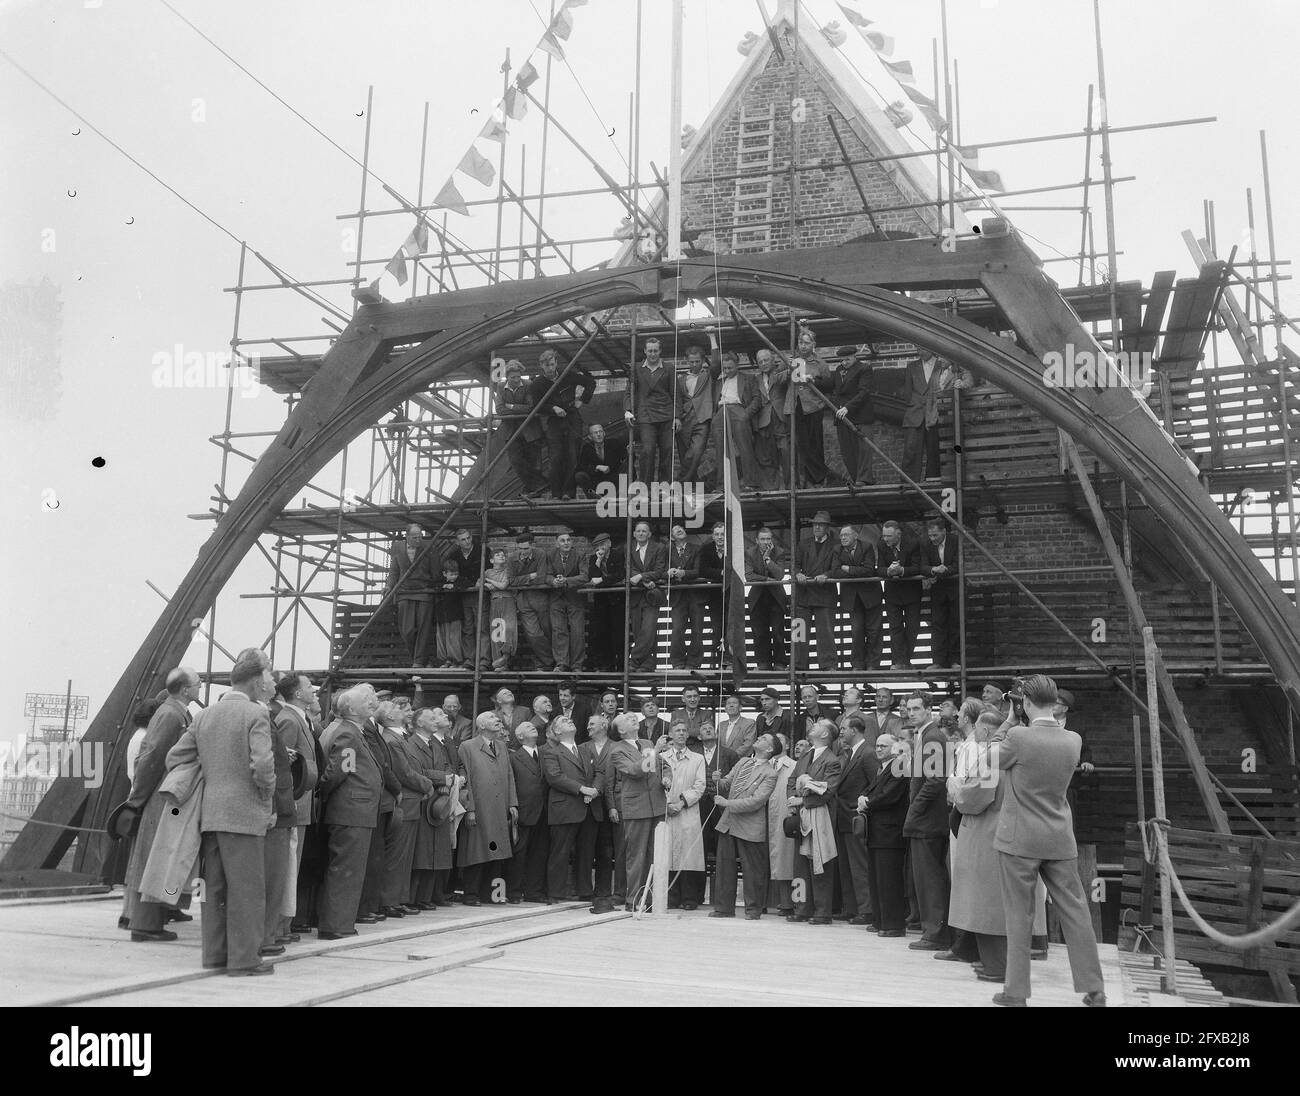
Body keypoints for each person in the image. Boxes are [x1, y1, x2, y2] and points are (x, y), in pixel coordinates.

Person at [993, 675, 1106, 1007]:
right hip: (1058, 838)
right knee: (1076, 913)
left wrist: (1009, 721)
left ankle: (1016, 993)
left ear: (1025, 703)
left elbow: (988, 759)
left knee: (1019, 916)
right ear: (1055, 701)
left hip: (1018, 840)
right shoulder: (1073, 739)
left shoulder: (1017, 736)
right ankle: (1094, 988)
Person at [165, 648, 277, 974]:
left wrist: (210, 775)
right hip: (245, 814)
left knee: (214, 890)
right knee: (247, 890)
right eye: (268, 674)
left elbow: (175, 757)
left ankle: (214, 956)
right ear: (257, 680)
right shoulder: (256, 715)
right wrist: (266, 798)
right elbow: (262, 766)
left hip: (211, 814)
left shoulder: (204, 715)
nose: (270, 680)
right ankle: (245, 960)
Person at [123, 666, 200, 941]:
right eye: (198, 684)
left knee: (156, 858)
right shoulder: (171, 714)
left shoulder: (175, 712)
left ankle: (148, 922)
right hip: (160, 797)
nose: (201, 687)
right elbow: (152, 757)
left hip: (162, 794)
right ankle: (145, 925)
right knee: (153, 859)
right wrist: (139, 799)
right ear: (186, 689)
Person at [271, 673, 319, 946]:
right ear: (298, 694)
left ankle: (284, 924)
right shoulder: (290, 720)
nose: (314, 691)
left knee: (293, 866)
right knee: (289, 866)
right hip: (294, 804)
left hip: (301, 804)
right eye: (309, 687)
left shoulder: (300, 718)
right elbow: (284, 763)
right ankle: (279, 926)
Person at [902, 691, 951, 951]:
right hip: (928, 819)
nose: (911, 713)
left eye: (917, 708)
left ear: (929, 709)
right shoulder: (926, 735)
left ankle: (935, 933)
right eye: (909, 709)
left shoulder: (932, 736)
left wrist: (914, 811)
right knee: (927, 877)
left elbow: (935, 781)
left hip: (928, 821)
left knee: (929, 878)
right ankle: (934, 930)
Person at [711, 734, 779, 919]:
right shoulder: (742, 762)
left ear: (770, 749)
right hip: (729, 823)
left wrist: (728, 804)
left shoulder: (770, 773)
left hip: (750, 825)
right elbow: (727, 783)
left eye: (764, 738)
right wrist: (719, 779)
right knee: (724, 867)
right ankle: (723, 908)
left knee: (752, 869)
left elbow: (756, 802)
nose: (759, 738)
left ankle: (753, 909)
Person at [376, 701, 433, 918]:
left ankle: (398, 898)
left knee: (405, 856)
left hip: (410, 802)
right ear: (389, 718)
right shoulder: (393, 740)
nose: (403, 711)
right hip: (405, 802)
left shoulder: (399, 738)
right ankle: (390, 900)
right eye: (397, 709)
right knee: (397, 856)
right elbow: (404, 772)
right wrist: (426, 784)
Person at [457, 712, 519, 906]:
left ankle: (492, 894)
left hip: (499, 809)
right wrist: (470, 809)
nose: (498, 720)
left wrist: (512, 804)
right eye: (493, 718)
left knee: (497, 852)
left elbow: (509, 776)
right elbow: (465, 779)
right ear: (482, 725)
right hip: (480, 808)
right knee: (476, 851)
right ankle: (471, 894)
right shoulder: (467, 747)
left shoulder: (501, 746)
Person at [608, 713, 667, 911]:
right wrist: (655, 751)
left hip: (656, 805)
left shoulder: (646, 741)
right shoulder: (616, 750)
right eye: (625, 718)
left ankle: (650, 899)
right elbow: (635, 771)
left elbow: (662, 765)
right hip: (637, 808)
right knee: (637, 855)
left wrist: (667, 777)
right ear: (621, 730)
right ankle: (632, 899)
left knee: (654, 855)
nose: (632, 717)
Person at [785, 719, 841, 924]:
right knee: (799, 864)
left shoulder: (832, 760)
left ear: (825, 734)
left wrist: (801, 799)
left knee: (820, 862)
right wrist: (792, 798)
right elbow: (792, 780)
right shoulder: (806, 754)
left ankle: (822, 911)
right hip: (801, 816)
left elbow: (828, 791)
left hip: (820, 817)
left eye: (819, 725)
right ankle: (801, 908)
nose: (814, 726)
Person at [542, 714, 601, 902]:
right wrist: (582, 789)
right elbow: (555, 777)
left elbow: (599, 772)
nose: (570, 720)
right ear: (557, 731)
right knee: (560, 851)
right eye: (564, 721)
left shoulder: (585, 750)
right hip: (565, 808)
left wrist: (595, 791)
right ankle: (556, 892)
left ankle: (584, 890)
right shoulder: (551, 752)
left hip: (589, 806)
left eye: (570, 720)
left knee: (586, 852)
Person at [405, 708, 457, 909]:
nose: (436, 720)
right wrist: (443, 778)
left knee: (435, 853)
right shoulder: (411, 744)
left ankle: (426, 897)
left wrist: (447, 777)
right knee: (421, 854)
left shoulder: (435, 744)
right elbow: (418, 771)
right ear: (419, 723)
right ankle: (413, 898)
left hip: (438, 803)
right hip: (423, 802)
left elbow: (447, 766)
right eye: (430, 718)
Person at [531, 347, 595, 499]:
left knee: (573, 456)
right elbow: (537, 406)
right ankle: (556, 493)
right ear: (541, 366)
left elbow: (590, 382)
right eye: (547, 366)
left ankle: (569, 492)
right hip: (554, 421)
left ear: (556, 362)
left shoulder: (567, 375)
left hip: (572, 418)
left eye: (552, 364)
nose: (551, 368)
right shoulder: (537, 384)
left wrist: (582, 400)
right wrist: (553, 408)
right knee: (556, 458)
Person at [862, 732, 909, 936]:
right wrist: (863, 798)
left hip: (890, 832)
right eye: (878, 745)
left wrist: (867, 802)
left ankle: (894, 925)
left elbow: (889, 796)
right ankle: (881, 920)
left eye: (883, 746)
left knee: (889, 879)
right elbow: (873, 791)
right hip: (877, 830)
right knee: (877, 878)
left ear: (894, 748)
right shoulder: (882, 768)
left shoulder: (898, 766)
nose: (879, 749)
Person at [834, 713, 878, 926]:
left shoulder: (867, 753)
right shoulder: (850, 754)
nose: (840, 732)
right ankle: (851, 907)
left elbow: (875, 784)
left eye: (843, 728)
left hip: (856, 818)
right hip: (843, 818)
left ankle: (866, 909)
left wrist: (862, 809)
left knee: (859, 865)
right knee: (847, 866)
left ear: (854, 730)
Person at [690, 718, 738, 903]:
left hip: (721, 805)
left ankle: (721, 898)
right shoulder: (693, 752)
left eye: (711, 728)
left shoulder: (729, 754)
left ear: (716, 733)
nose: (708, 730)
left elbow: (736, 780)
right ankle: (695, 896)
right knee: (697, 849)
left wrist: (723, 780)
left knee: (722, 850)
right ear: (699, 736)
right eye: (704, 728)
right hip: (698, 805)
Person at [660, 723, 706, 910]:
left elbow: (700, 785)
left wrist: (681, 803)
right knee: (668, 853)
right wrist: (667, 804)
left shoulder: (698, 759)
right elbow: (656, 784)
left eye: (684, 731)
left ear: (688, 735)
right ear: (670, 734)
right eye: (677, 730)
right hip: (666, 812)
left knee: (688, 854)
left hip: (687, 810)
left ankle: (689, 898)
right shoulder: (661, 757)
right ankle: (670, 897)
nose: (681, 733)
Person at [624, 336, 680, 484]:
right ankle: (645, 487)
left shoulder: (669, 368)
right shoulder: (636, 368)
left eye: (655, 351)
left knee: (667, 450)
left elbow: (676, 393)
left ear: (660, 351)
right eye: (650, 351)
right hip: (646, 416)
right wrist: (628, 410)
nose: (653, 354)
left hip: (666, 415)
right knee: (647, 450)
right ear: (645, 351)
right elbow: (630, 391)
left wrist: (677, 416)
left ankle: (664, 487)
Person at [507, 720, 549, 904]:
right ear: (520, 736)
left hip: (545, 811)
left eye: (533, 726)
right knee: (519, 853)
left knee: (539, 853)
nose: (533, 727)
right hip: (524, 811)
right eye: (528, 727)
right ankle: (514, 891)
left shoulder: (545, 754)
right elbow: (512, 784)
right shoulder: (514, 758)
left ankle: (534, 891)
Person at [831, 525, 883, 671]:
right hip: (852, 598)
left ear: (855, 536)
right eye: (841, 535)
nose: (843, 538)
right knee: (857, 631)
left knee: (874, 631)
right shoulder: (837, 550)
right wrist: (857, 570)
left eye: (846, 535)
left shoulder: (867, 547)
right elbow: (835, 572)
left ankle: (873, 664)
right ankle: (857, 664)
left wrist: (848, 568)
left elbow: (869, 570)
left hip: (871, 595)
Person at [580, 714, 617, 914]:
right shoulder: (583, 748)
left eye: (592, 723)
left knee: (606, 850)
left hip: (608, 805)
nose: (588, 727)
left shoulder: (616, 746)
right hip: (587, 804)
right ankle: (584, 890)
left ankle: (603, 890)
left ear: (604, 725)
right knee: (585, 849)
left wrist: (596, 790)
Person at [388, 524, 439, 667]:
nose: (418, 540)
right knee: (407, 631)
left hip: (424, 592)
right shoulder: (397, 547)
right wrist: (389, 586)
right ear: (407, 536)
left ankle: (418, 661)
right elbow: (394, 571)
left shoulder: (429, 547)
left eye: (420, 536)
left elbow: (436, 572)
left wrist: (432, 586)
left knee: (424, 629)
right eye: (415, 537)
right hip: (404, 592)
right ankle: (420, 659)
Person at [495, 358, 548, 497]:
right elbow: (500, 410)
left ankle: (531, 489)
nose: (517, 379)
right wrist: (520, 410)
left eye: (518, 376)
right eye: (513, 377)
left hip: (530, 431)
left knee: (533, 463)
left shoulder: (528, 385)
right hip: (511, 432)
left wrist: (511, 407)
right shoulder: (500, 387)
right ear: (507, 377)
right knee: (516, 461)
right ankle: (541, 485)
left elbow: (531, 408)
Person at [793, 511, 838, 671]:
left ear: (827, 527)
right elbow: (795, 565)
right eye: (815, 524)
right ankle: (798, 664)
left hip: (824, 595)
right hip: (803, 594)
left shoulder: (836, 544)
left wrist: (826, 575)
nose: (817, 527)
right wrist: (797, 573)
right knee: (798, 632)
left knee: (825, 632)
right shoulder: (803, 544)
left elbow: (837, 568)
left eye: (821, 524)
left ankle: (828, 665)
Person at [711, 350, 761, 489]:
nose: (727, 370)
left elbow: (757, 399)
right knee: (720, 450)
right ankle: (722, 485)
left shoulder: (749, 378)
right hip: (721, 411)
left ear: (737, 365)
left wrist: (745, 414)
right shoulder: (719, 381)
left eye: (730, 367)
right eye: (725, 368)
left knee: (745, 447)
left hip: (738, 409)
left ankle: (750, 483)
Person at [789, 326, 832, 487]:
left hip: (814, 406)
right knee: (802, 444)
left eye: (807, 343)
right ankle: (817, 475)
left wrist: (814, 380)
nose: (803, 346)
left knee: (815, 444)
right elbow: (779, 376)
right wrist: (789, 368)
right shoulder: (793, 360)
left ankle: (817, 478)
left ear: (813, 344)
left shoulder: (820, 363)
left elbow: (829, 384)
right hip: (797, 404)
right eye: (801, 342)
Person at [827, 346, 876, 485]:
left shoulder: (864, 369)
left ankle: (865, 479)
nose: (844, 362)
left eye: (847, 359)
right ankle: (856, 479)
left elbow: (863, 392)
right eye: (842, 360)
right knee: (847, 452)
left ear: (855, 356)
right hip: (843, 418)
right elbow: (830, 385)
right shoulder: (838, 370)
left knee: (864, 450)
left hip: (861, 416)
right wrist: (812, 380)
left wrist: (847, 408)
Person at [541, 530, 588, 673]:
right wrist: (553, 581)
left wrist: (566, 581)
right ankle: (562, 663)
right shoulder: (550, 555)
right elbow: (546, 574)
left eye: (568, 540)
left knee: (577, 631)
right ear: (557, 543)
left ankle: (577, 665)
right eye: (562, 540)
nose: (566, 543)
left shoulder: (580, 555)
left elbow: (584, 576)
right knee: (558, 630)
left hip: (575, 598)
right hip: (556, 598)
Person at [919, 516, 961, 671]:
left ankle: (955, 661)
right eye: (930, 535)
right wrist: (933, 569)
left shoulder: (955, 540)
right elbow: (922, 566)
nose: (932, 538)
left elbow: (958, 564)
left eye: (935, 535)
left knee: (955, 624)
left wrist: (946, 570)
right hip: (937, 589)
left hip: (955, 588)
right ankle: (938, 661)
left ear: (944, 531)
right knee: (937, 625)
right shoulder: (925, 543)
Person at [877, 521, 921, 669]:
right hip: (892, 593)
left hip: (911, 592)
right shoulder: (881, 545)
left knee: (912, 627)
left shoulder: (913, 544)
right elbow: (880, 568)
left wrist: (901, 570)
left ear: (899, 534)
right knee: (895, 628)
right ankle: (898, 661)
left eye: (889, 536)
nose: (885, 539)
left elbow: (917, 567)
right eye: (884, 535)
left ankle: (906, 660)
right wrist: (888, 571)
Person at [509, 533, 554, 671]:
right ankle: (549, 661)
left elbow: (541, 577)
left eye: (526, 548)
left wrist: (521, 579)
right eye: (521, 548)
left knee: (548, 630)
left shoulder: (540, 554)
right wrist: (530, 576)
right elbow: (511, 581)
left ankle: (556, 662)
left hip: (540, 599)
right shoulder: (512, 558)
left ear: (532, 545)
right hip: (523, 601)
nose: (523, 551)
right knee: (533, 634)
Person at [626, 520, 667, 671]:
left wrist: (641, 576)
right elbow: (628, 569)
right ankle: (647, 664)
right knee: (638, 632)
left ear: (649, 534)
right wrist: (642, 580)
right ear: (634, 534)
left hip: (652, 596)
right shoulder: (629, 548)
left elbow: (659, 570)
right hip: (637, 595)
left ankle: (634, 660)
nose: (641, 533)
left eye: (644, 531)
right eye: (638, 531)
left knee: (649, 629)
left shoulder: (659, 548)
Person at [745, 527, 788, 670]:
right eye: (762, 539)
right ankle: (763, 663)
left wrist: (768, 560)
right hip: (757, 597)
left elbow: (780, 575)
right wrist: (767, 579)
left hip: (776, 597)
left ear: (772, 540)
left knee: (778, 632)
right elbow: (749, 576)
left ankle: (780, 663)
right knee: (759, 632)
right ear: (757, 540)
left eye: (768, 539)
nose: (765, 542)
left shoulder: (780, 552)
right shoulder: (749, 552)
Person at [900, 351, 945, 482]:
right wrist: (915, 404)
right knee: (911, 449)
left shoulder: (941, 364)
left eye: (923, 348)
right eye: (917, 348)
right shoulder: (911, 366)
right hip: (915, 413)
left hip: (935, 412)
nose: (920, 351)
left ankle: (933, 478)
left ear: (930, 348)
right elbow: (907, 392)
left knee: (934, 448)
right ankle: (909, 482)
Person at [767, 732, 799, 915]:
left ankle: (793, 903)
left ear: (787, 745)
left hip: (784, 819)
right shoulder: (763, 765)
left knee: (789, 862)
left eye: (779, 740)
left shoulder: (794, 766)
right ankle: (765, 902)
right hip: (763, 819)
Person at [666, 523, 705, 670]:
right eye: (676, 530)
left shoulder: (696, 548)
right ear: (671, 536)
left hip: (696, 595)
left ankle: (694, 662)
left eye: (681, 528)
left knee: (697, 629)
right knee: (677, 629)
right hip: (678, 596)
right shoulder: (667, 551)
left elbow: (698, 571)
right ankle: (677, 662)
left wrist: (682, 574)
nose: (680, 530)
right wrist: (669, 572)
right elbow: (663, 570)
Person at [676, 341, 716, 482]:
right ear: (687, 361)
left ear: (703, 360)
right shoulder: (680, 379)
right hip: (684, 419)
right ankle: (693, 486)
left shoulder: (708, 375)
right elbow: (678, 400)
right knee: (684, 455)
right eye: (691, 362)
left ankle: (680, 482)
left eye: (697, 361)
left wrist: (712, 339)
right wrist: (677, 418)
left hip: (702, 418)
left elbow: (716, 363)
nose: (694, 365)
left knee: (695, 452)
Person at [751, 348, 791, 489]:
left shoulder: (780, 372)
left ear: (773, 359)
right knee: (768, 455)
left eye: (766, 360)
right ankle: (773, 487)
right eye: (760, 361)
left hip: (780, 417)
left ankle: (790, 485)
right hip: (764, 422)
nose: (763, 363)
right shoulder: (755, 379)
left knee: (786, 452)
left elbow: (790, 370)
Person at [584, 533, 624, 671]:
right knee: (602, 632)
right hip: (601, 600)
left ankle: (621, 664)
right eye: (598, 545)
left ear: (609, 544)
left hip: (617, 599)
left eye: (603, 544)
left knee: (618, 633)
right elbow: (592, 577)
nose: (600, 547)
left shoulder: (618, 555)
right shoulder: (593, 558)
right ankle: (607, 663)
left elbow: (620, 575)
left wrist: (602, 580)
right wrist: (598, 562)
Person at [696, 521, 730, 665]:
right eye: (717, 534)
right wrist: (722, 572)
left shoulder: (734, 548)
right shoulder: (706, 549)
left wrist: (719, 573)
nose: (720, 537)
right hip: (714, 596)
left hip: (731, 594)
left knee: (731, 627)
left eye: (722, 534)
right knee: (717, 628)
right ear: (713, 536)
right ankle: (719, 660)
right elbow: (702, 569)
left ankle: (730, 660)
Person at [482, 546, 518, 672]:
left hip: (508, 600)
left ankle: (506, 656)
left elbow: (503, 585)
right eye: (498, 555)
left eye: (503, 554)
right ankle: (499, 662)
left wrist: (489, 581)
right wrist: (486, 583)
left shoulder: (508, 570)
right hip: (494, 601)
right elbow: (478, 583)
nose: (502, 556)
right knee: (496, 630)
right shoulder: (487, 571)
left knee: (509, 628)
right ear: (491, 560)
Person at [574, 421, 627, 498]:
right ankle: (593, 497)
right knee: (580, 475)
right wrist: (596, 468)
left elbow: (626, 457)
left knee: (628, 466)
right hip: (597, 482)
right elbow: (580, 467)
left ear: (604, 433)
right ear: (590, 437)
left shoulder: (614, 443)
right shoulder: (587, 448)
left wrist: (630, 452)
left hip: (614, 480)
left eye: (600, 432)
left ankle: (619, 495)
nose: (599, 434)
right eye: (595, 433)